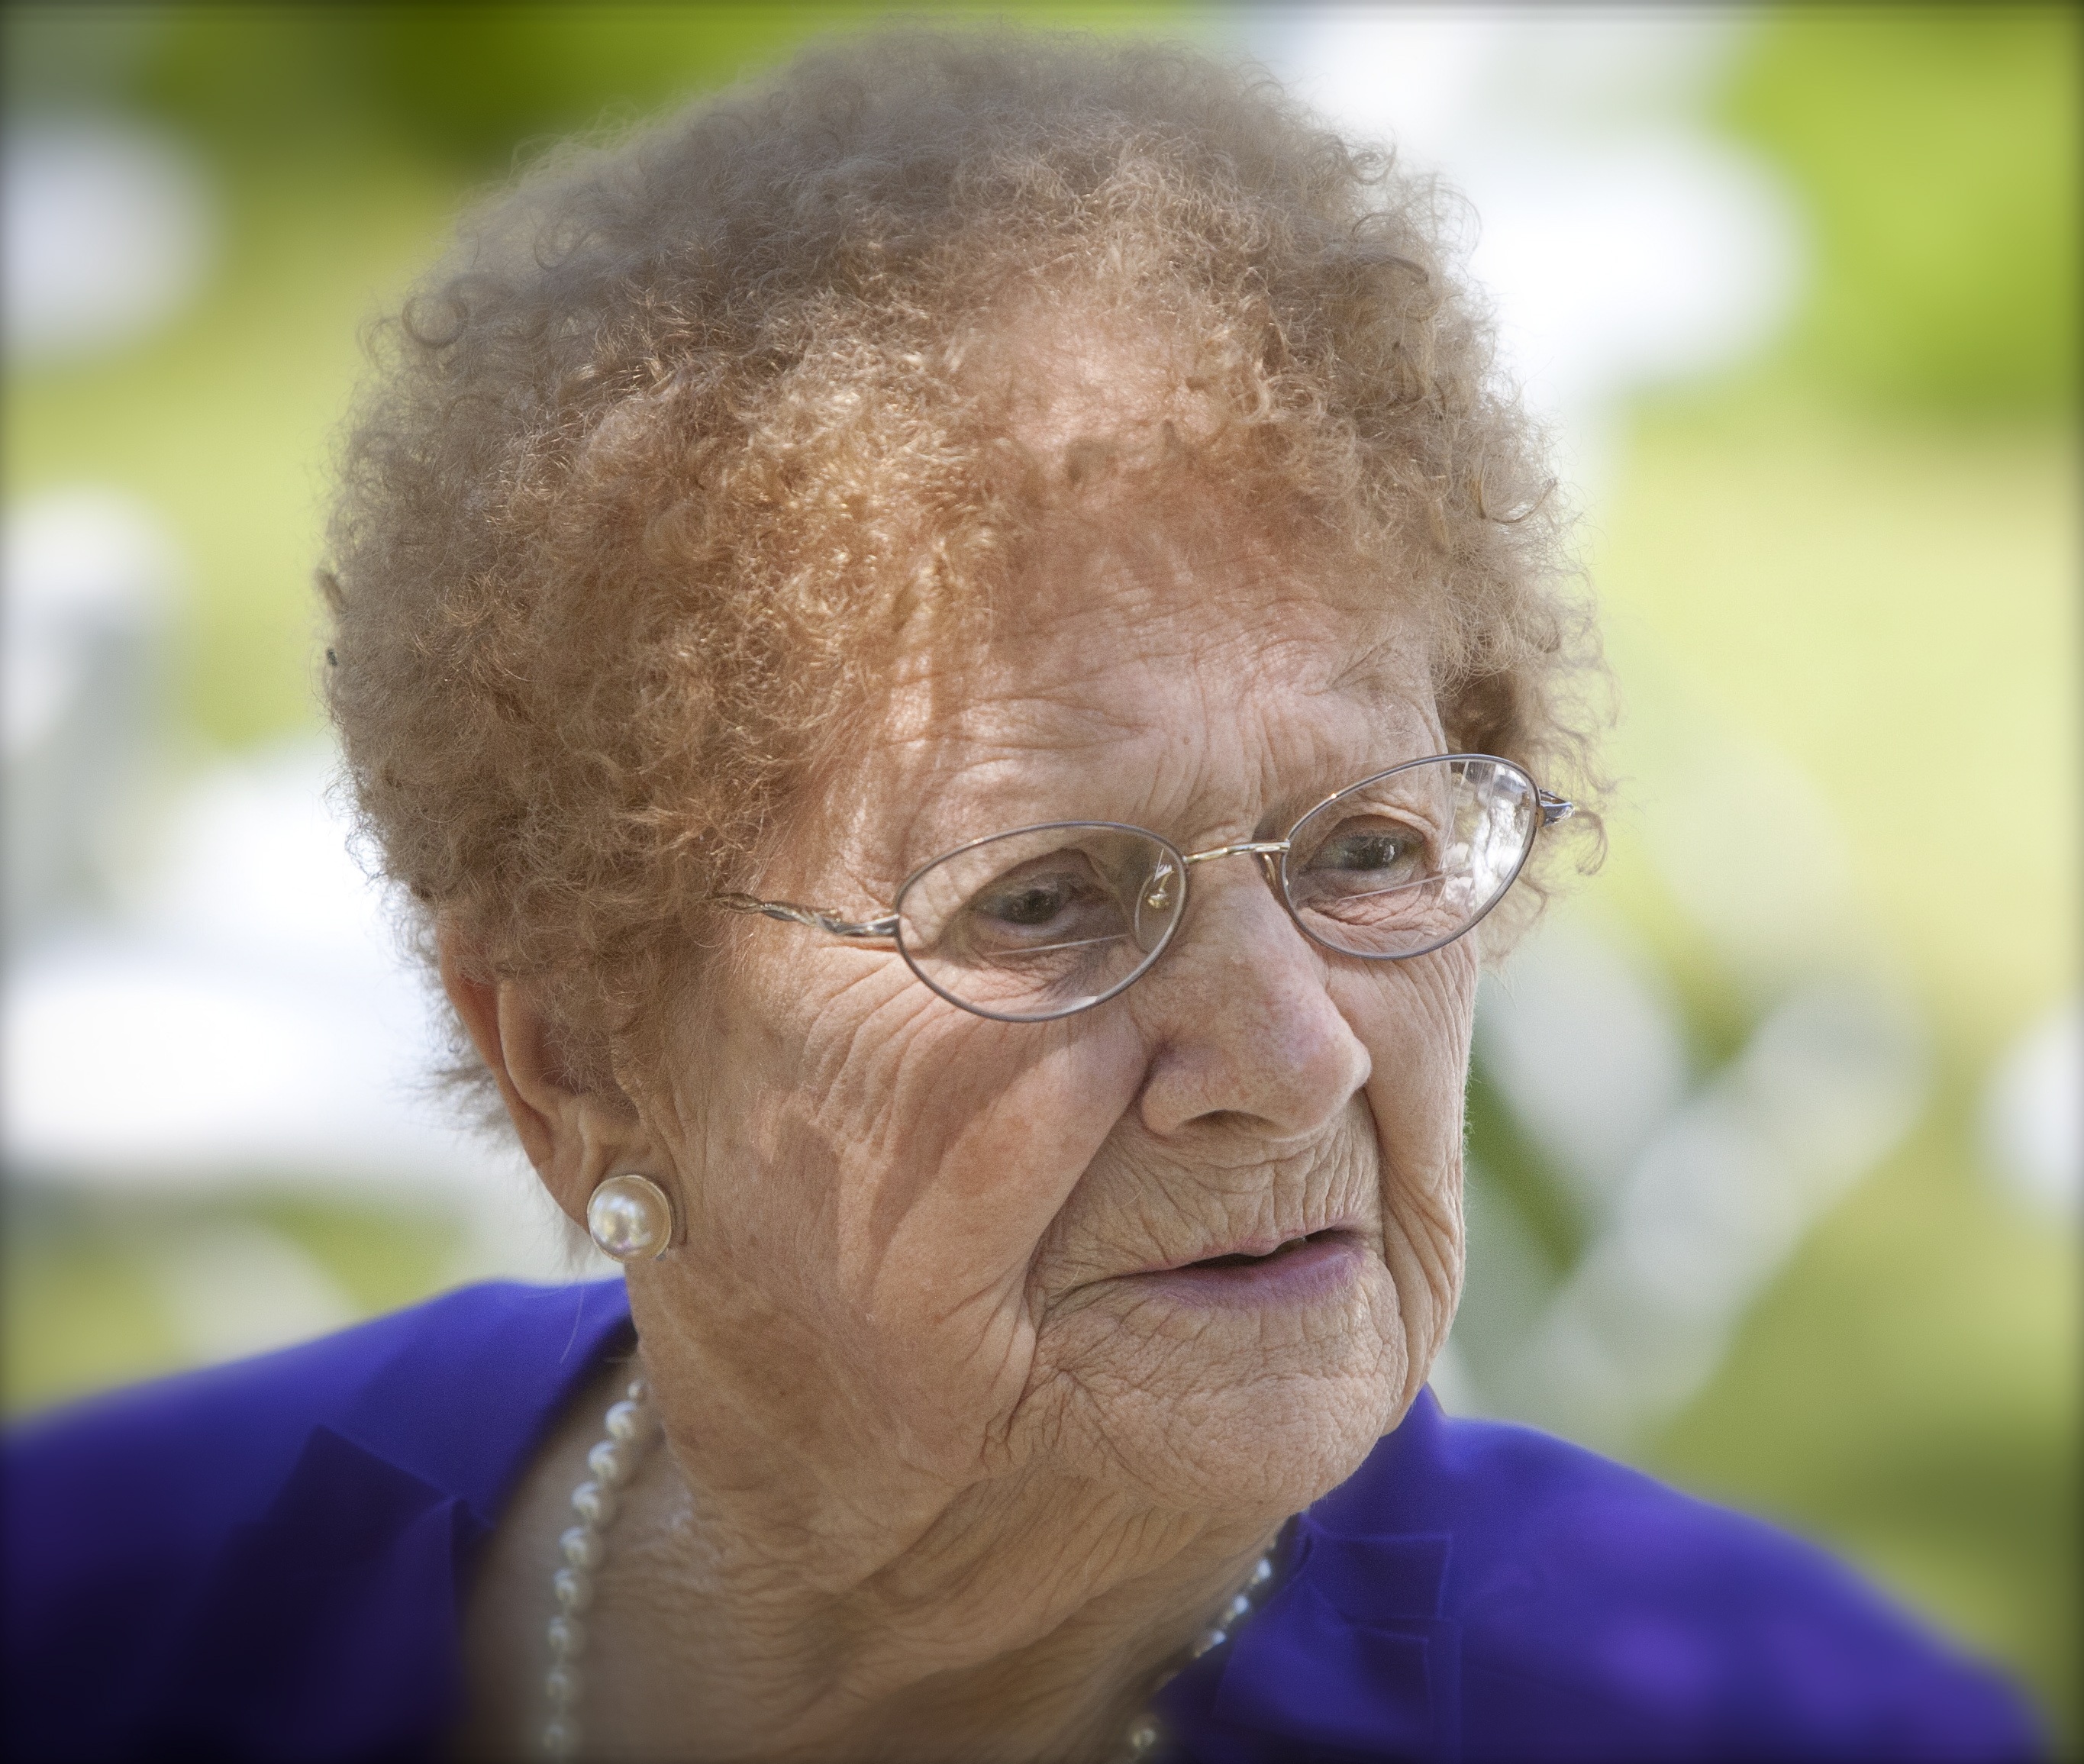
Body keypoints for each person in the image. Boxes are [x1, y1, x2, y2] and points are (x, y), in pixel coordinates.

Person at [2, 26, 2041, 1763]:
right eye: (1049, 901)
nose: (1291, 1052)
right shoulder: (104, 1615)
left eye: (1362, 852)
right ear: (579, 1060)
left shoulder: (1747, 1723)